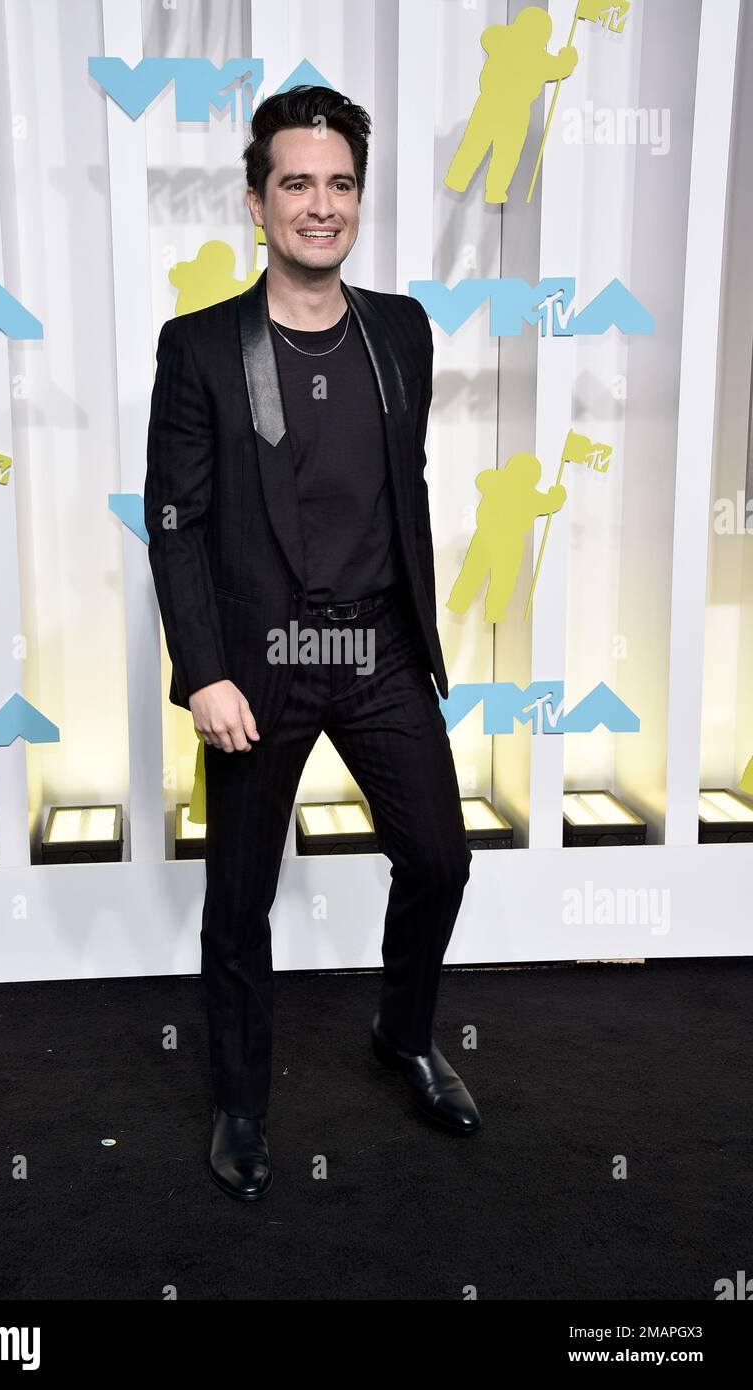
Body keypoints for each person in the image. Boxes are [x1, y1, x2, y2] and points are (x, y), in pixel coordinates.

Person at [144, 84, 480, 1203]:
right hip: (258, 661)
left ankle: (405, 1033)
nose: (321, 204)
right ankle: (241, 1104)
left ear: (358, 199)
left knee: (439, 854)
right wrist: (204, 670)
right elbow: (177, 521)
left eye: (340, 184)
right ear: (257, 202)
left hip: (378, 647)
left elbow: (399, 486)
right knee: (239, 900)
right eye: (297, 183)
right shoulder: (198, 349)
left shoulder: (402, 331)